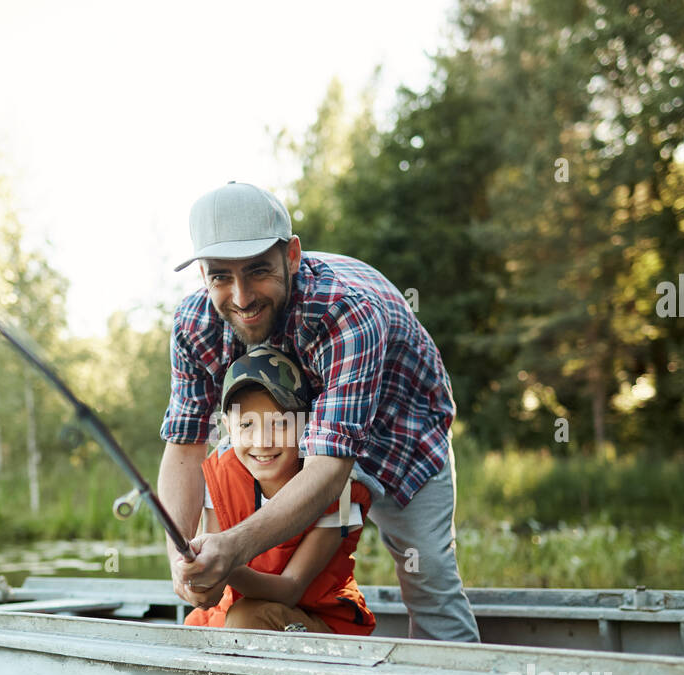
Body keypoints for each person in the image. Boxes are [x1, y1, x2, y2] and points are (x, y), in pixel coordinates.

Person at [159, 181, 480, 643]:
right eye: (221, 277)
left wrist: (230, 549)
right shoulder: (195, 324)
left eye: (257, 271)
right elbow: (186, 448)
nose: (243, 297)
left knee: (428, 579)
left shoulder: (347, 311)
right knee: (252, 573)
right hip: (295, 434)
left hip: (401, 436)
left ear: (292, 256)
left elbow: (329, 468)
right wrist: (182, 558)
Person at [183, 345, 375, 635]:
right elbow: (211, 553)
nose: (262, 441)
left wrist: (225, 566)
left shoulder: (340, 489)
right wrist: (201, 575)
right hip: (233, 613)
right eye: (246, 424)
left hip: (320, 622)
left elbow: (290, 589)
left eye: (281, 423)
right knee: (202, 626)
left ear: (308, 424)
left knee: (246, 618)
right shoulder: (219, 475)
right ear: (227, 427)